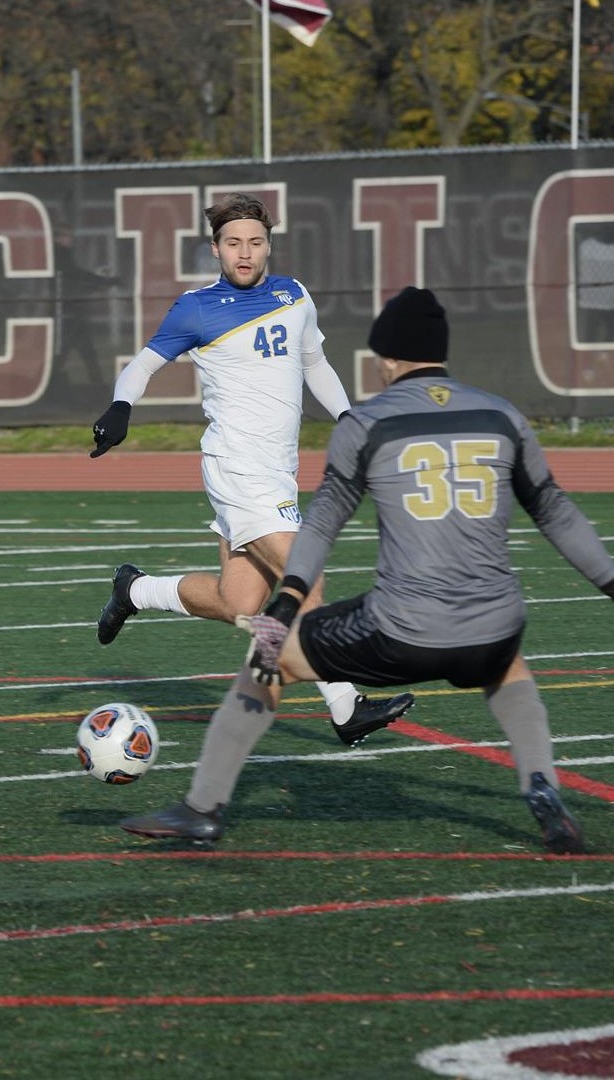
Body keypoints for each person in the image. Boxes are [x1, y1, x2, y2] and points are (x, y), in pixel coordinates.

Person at [120, 287, 614, 852]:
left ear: (387, 357)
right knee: (507, 665)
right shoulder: (502, 416)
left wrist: (286, 603)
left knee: (267, 660)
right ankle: (543, 790)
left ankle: (203, 808)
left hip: (402, 627)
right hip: (492, 624)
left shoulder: (368, 424)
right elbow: (557, 514)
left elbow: (320, 527)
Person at [89, 192, 412, 745]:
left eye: (256, 242)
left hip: (277, 469)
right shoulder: (195, 307)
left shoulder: (295, 296)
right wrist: (121, 407)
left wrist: (349, 417)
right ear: (215, 248)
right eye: (233, 243)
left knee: (237, 602)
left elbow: (315, 363)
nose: (245, 252)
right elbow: (142, 365)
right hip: (237, 467)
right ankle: (345, 705)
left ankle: (135, 590)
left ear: (269, 246)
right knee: (304, 573)